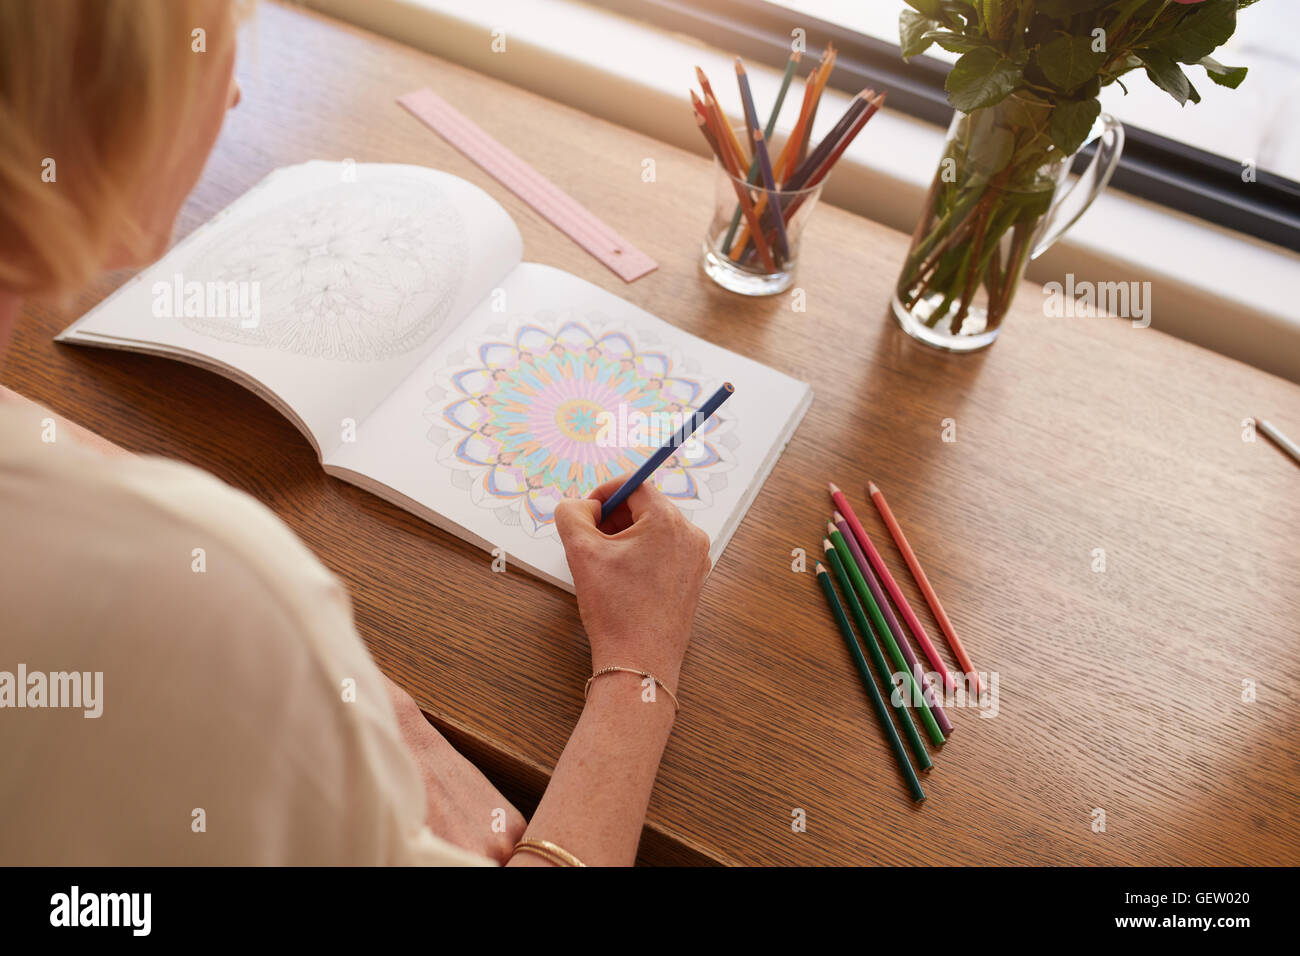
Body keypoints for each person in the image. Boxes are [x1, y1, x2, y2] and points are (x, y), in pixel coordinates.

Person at [0, 0, 711, 867]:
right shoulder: (201, 594)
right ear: (97, 110)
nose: (230, 96)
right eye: (214, 42)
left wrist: (364, 701)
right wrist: (640, 669)